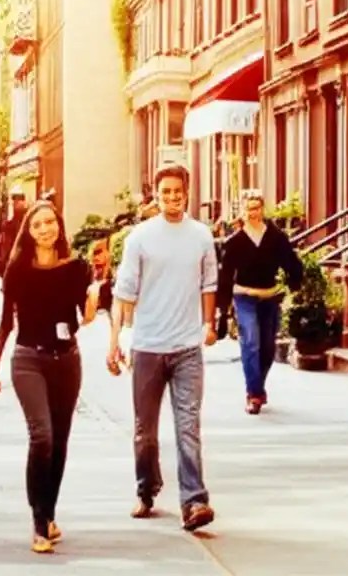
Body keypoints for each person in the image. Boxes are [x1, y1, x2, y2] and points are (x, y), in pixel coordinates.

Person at [0, 200, 98, 553]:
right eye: (37, 225)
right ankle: (38, 523)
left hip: (66, 359)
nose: (45, 229)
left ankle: (49, 515)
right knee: (42, 436)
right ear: (28, 232)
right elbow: (6, 322)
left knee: (60, 442)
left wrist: (93, 296)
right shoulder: (17, 269)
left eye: (50, 222)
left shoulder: (77, 267)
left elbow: (82, 319)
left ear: (59, 226)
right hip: (28, 359)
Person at [109, 163, 218, 531]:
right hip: (148, 346)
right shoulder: (140, 238)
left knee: (188, 426)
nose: (172, 197)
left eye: (177, 191)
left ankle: (195, 501)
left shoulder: (201, 236)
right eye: (165, 191)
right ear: (155, 194)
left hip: (187, 346)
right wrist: (115, 343)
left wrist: (209, 324)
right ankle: (146, 488)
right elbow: (124, 294)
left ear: (187, 191)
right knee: (145, 430)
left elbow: (209, 284)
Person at [216, 191, 302, 414]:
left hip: (269, 297)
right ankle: (253, 393)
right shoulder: (234, 243)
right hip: (244, 297)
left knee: (267, 348)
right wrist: (222, 312)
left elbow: (291, 263)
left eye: (256, 208)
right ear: (242, 212)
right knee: (251, 342)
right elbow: (225, 276)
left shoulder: (276, 237)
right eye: (249, 209)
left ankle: (258, 386)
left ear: (262, 209)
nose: (253, 213)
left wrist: (295, 284)